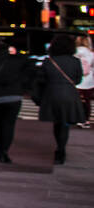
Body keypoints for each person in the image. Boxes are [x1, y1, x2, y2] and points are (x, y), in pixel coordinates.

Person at [33, 34, 85, 165]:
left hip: (52, 94)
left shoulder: (49, 61)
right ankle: (61, 149)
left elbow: (40, 80)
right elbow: (78, 80)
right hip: (70, 95)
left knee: (57, 123)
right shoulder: (75, 61)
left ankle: (59, 149)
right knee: (64, 124)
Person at [75, 34, 94, 129]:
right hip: (89, 81)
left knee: (78, 101)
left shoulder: (74, 52)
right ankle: (85, 120)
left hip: (76, 81)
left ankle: (78, 118)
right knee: (87, 101)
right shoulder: (91, 53)